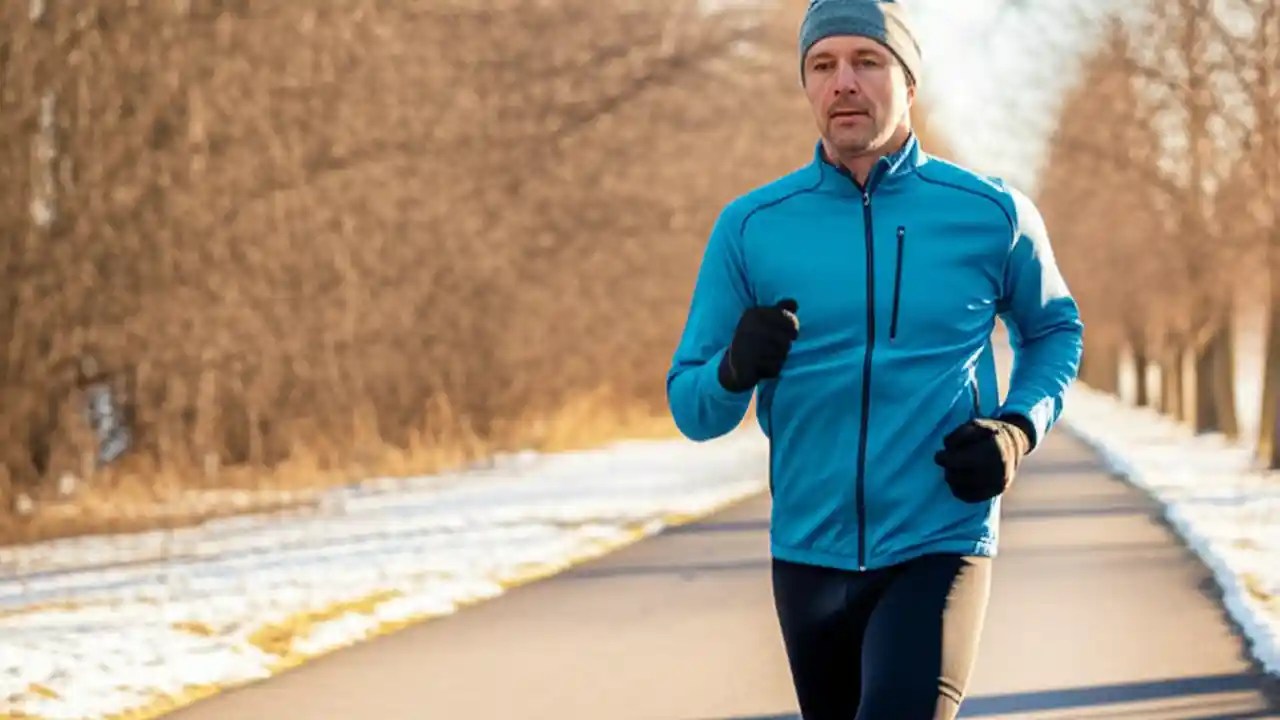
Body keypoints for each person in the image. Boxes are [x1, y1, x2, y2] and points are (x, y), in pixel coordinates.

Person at [664, 1, 1085, 718]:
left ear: (909, 83)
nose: (844, 83)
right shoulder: (752, 227)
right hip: (808, 551)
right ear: (805, 87)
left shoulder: (988, 213)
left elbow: (1054, 331)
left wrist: (1018, 428)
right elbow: (691, 406)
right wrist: (734, 368)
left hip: (939, 536)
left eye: (868, 61)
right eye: (823, 66)